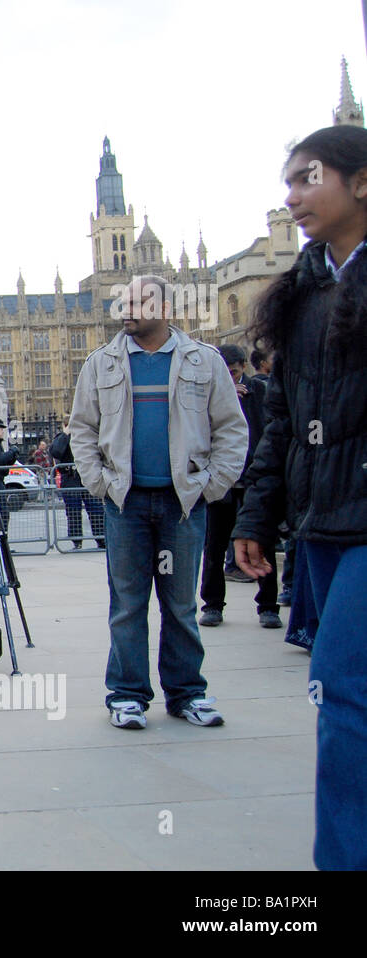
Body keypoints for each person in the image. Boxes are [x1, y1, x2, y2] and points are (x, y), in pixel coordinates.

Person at [232, 125, 367, 869]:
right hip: (320, 519)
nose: (291, 197)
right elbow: (280, 417)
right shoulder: (301, 293)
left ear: (362, 181)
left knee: (342, 684)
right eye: (287, 184)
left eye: (307, 178)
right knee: (345, 693)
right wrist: (257, 514)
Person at [70, 274, 247, 731]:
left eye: (136, 302)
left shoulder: (204, 361)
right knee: (127, 605)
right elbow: (82, 430)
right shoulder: (102, 363)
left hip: (182, 503)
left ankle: (188, 693)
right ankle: (127, 695)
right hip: (125, 504)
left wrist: (212, 485)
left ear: (165, 308)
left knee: (181, 604)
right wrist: (100, 483)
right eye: (123, 301)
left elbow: (231, 428)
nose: (125, 309)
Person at [198, 343, 280, 630]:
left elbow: (271, 431)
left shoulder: (260, 391)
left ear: (243, 367)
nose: (230, 379)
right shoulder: (208, 394)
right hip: (222, 481)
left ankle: (269, 606)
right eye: (225, 374)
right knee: (215, 546)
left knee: (262, 543)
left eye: (233, 373)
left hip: (253, 479)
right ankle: (212, 605)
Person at [50, 418, 105, 549]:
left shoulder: (87, 435)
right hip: (70, 478)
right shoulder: (62, 438)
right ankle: (76, 540)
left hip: (87, 477)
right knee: (73, 511)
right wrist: (65, 434)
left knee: (96, 509)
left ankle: (101, 539)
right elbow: (56, 452)